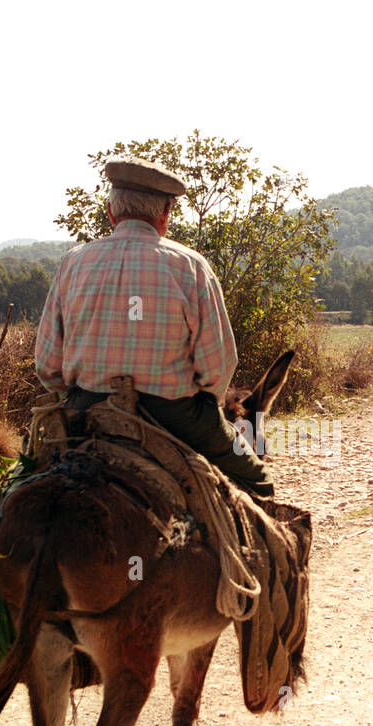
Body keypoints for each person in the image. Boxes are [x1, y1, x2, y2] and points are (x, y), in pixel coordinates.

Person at [34, 156, 273, 497]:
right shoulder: (191, 267)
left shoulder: (73, 262)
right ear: (165, 216)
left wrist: (78, 393)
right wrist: (201, 400)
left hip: (88, 409)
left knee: (22, 478)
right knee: (258, 479)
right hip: (175, 415)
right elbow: (218, 367)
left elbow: (47, 364)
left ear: (110, 212)